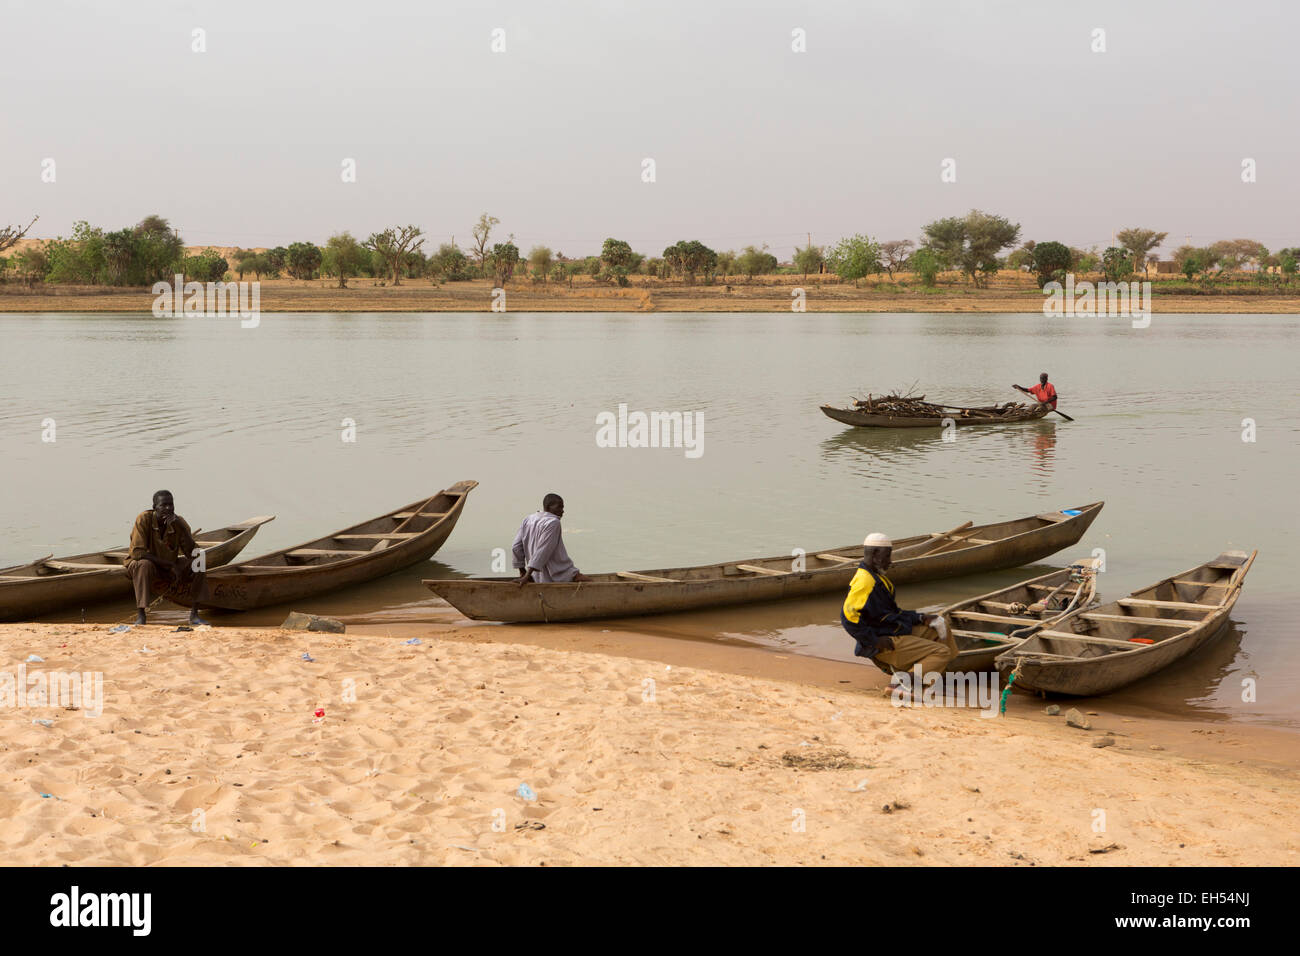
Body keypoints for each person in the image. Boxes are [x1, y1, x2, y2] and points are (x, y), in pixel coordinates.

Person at [840, 532, 956, 677]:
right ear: (875, 554)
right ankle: (905, 684)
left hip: (892, 630)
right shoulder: (866, 582)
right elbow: (848, 618)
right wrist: (874, 641)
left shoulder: (876, 578)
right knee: (941, 652)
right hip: (886, 641)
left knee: (940, 625)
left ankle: (938, 674)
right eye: (887, 556)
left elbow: (892, 615)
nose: (890, 561)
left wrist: (921, 617)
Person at [123, 490, 208, 625]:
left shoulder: (178, 521)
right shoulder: (144, 519)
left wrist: (182, 527)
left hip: (169, 565)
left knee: (199, 562)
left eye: (171, 505)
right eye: (164, 505)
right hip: (148, 564)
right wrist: (170, 565)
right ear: (154, 507)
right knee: (142, 564)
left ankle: (194, 614)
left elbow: (193, 552)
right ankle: (141, 615)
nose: (168, 508)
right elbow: (138, 553)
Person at [512, 493, 591, 585]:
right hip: (560, 573)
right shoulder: (553, 522)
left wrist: (523, 571)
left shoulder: (528, 519)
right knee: (591, 583)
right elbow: (542, 550)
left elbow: (516, 547)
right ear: (549, 507)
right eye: (559, 507)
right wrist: (526, 576)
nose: (562, 511)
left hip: (537, 576)